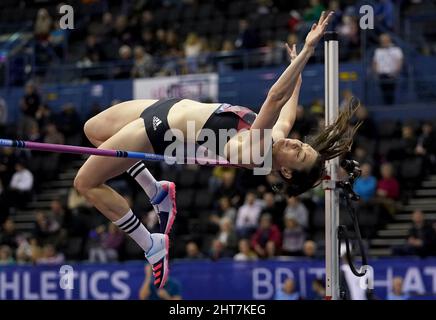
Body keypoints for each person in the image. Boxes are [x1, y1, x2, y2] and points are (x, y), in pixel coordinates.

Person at [74, 12, 359, 288]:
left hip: (155, 130)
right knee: (94, 131)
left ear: (284, 170)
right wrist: (296, 75)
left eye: (298, 154)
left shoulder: (256, 153)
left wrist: (308, 50)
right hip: (166, 107)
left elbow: (274, 97)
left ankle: (151, 244)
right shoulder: (276, 139)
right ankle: (156, 191)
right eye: (303, 146)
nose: (297, 143)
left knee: (85, 183)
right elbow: (287, 112)